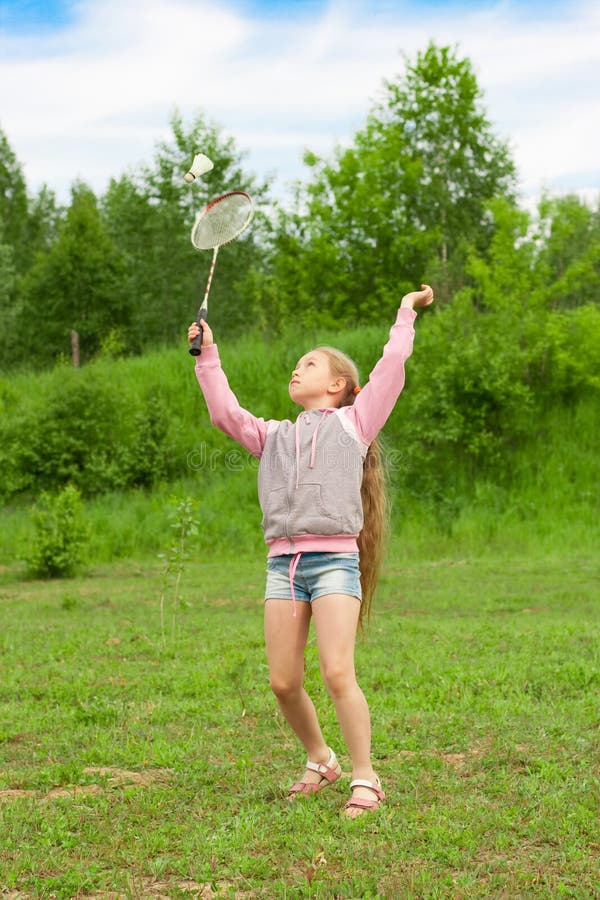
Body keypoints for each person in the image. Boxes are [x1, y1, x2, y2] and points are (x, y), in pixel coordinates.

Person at [188, 284, 434, 817]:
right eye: (298, 364)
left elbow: (391, 369)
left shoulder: (356, 423)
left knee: (337, 673)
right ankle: (321, 759)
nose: (297, 370)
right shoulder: (272, 435)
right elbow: (224, 413)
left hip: (334, 564)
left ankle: (366, 778)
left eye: (310, 364)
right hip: (283, 565)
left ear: (339, 385)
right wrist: (207, 353)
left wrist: (405, 313)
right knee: (283, 682)